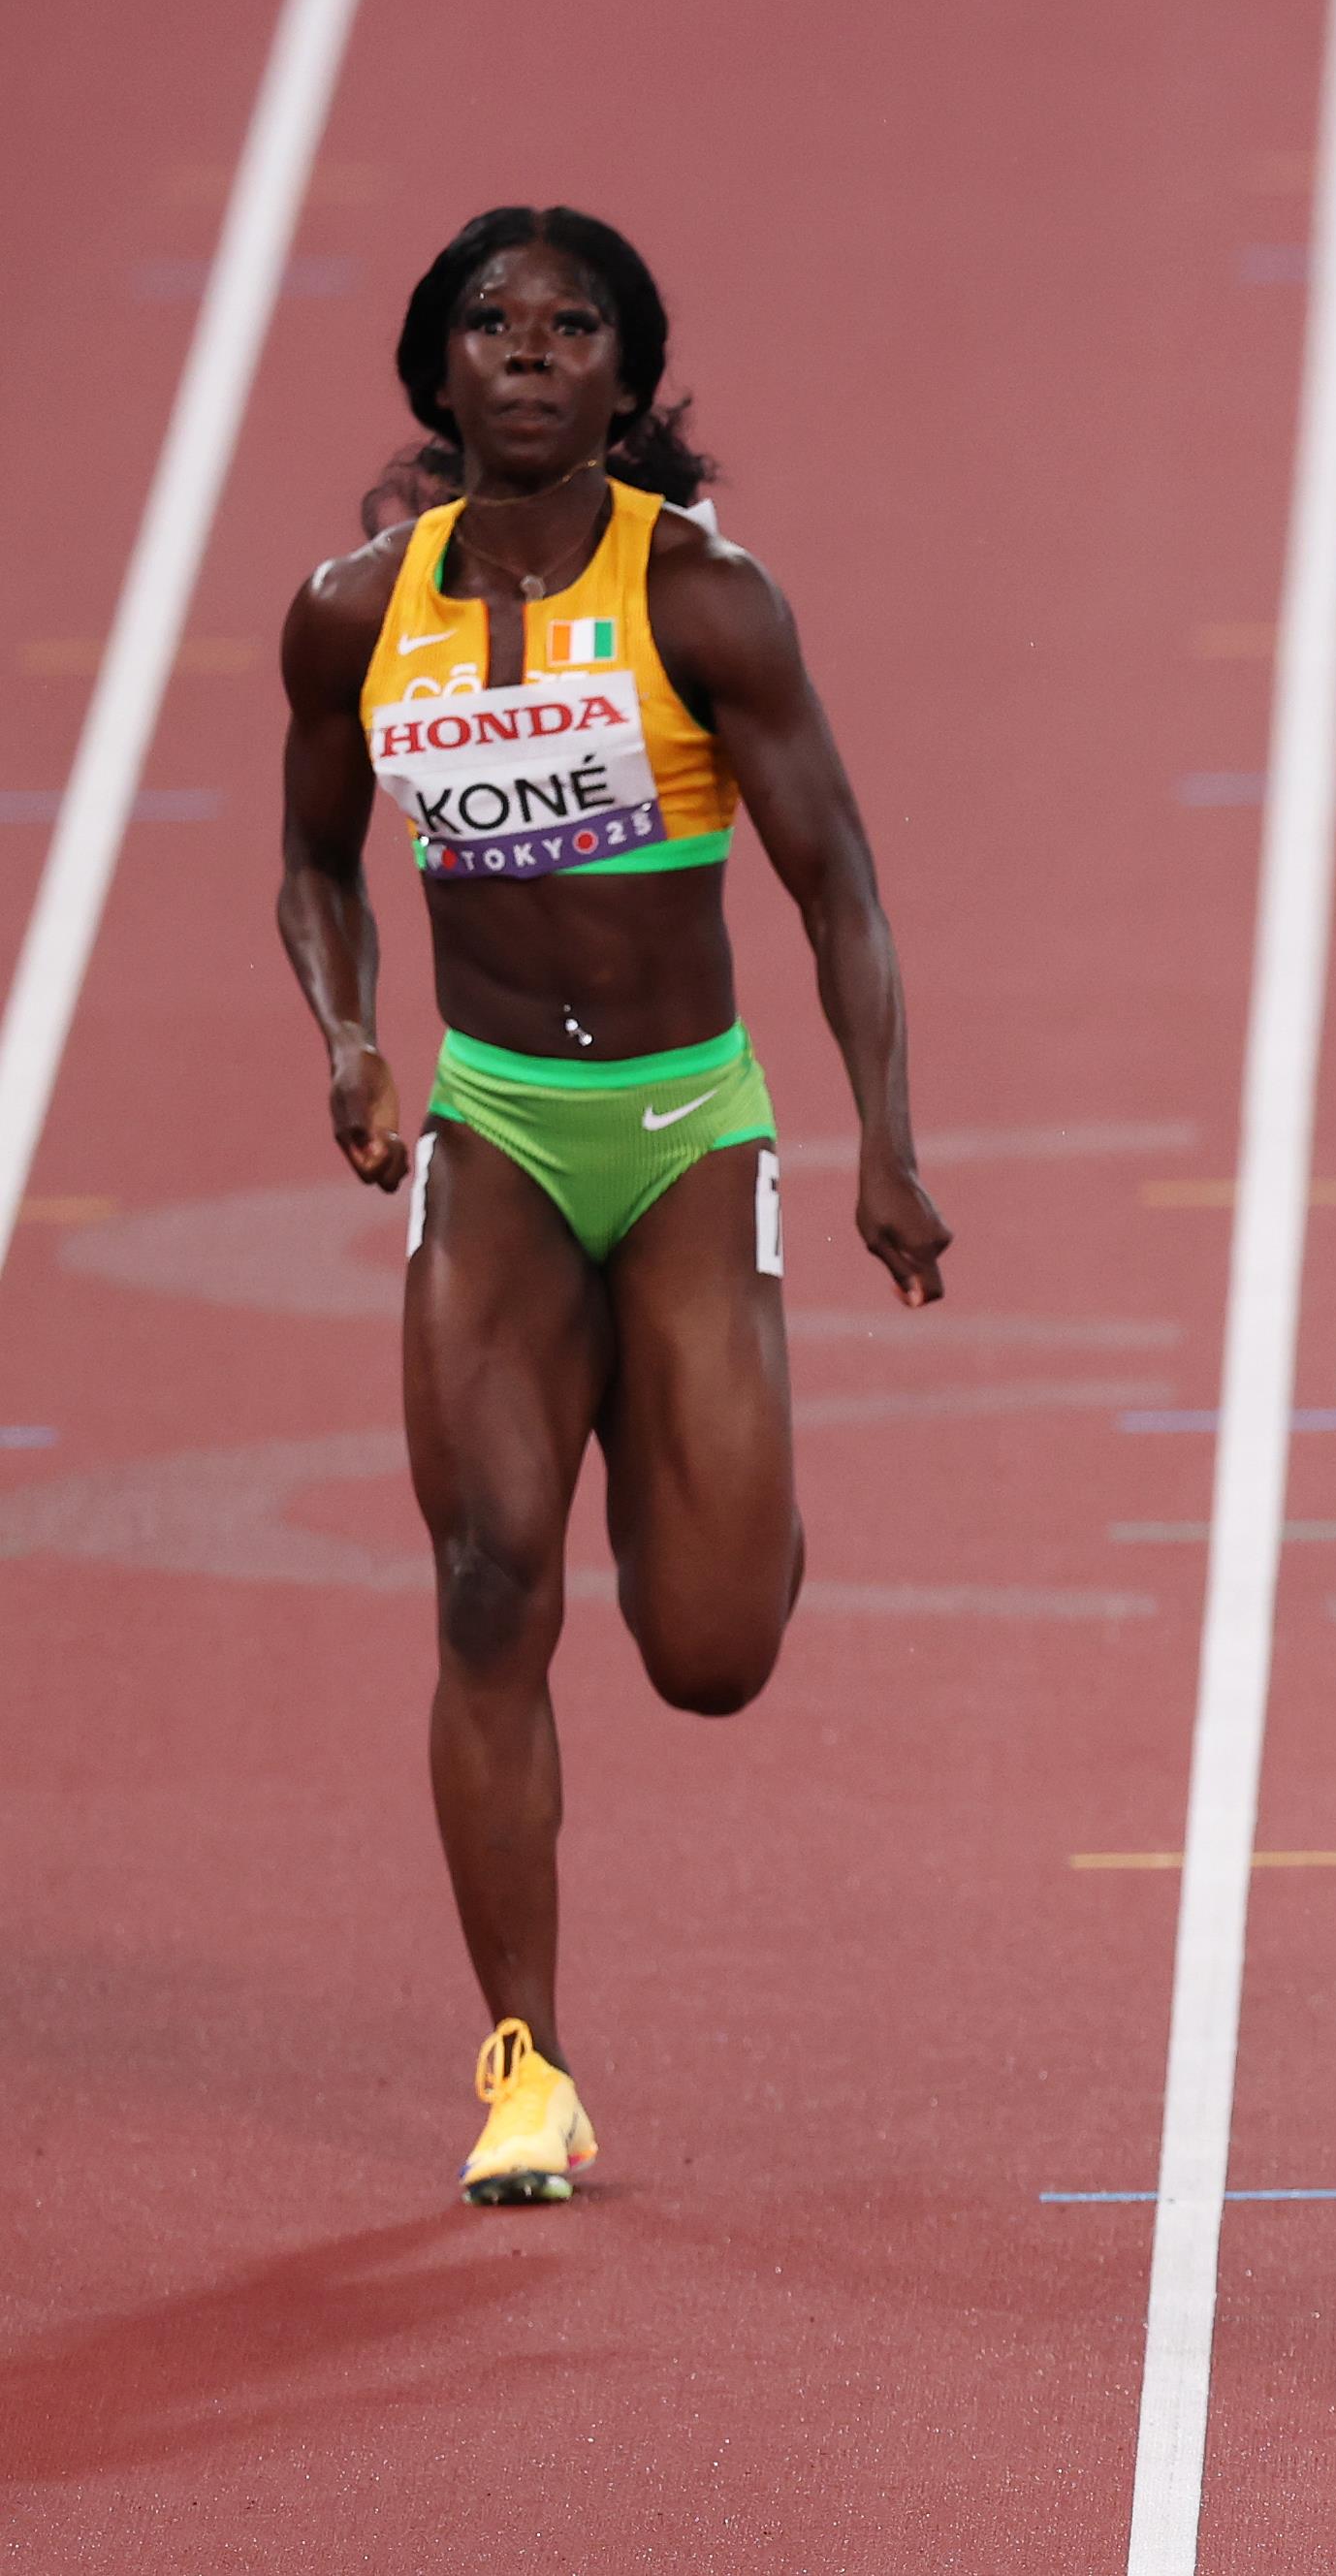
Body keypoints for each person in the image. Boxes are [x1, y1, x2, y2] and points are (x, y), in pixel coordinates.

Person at [275, 207, 949, 2205]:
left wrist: (883, 1139)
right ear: (437, 368)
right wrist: (350, 1035)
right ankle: (527, 2060)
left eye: (572, 327)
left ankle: (702, 1452)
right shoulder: (351, 613)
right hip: (492, 1129)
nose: (529, 350)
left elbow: (838, 884)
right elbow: (314, 861)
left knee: (710, 1650)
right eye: (492, 322)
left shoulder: (706, 601)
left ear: (627, 379)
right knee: (491, 1580)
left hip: (682, 1135)